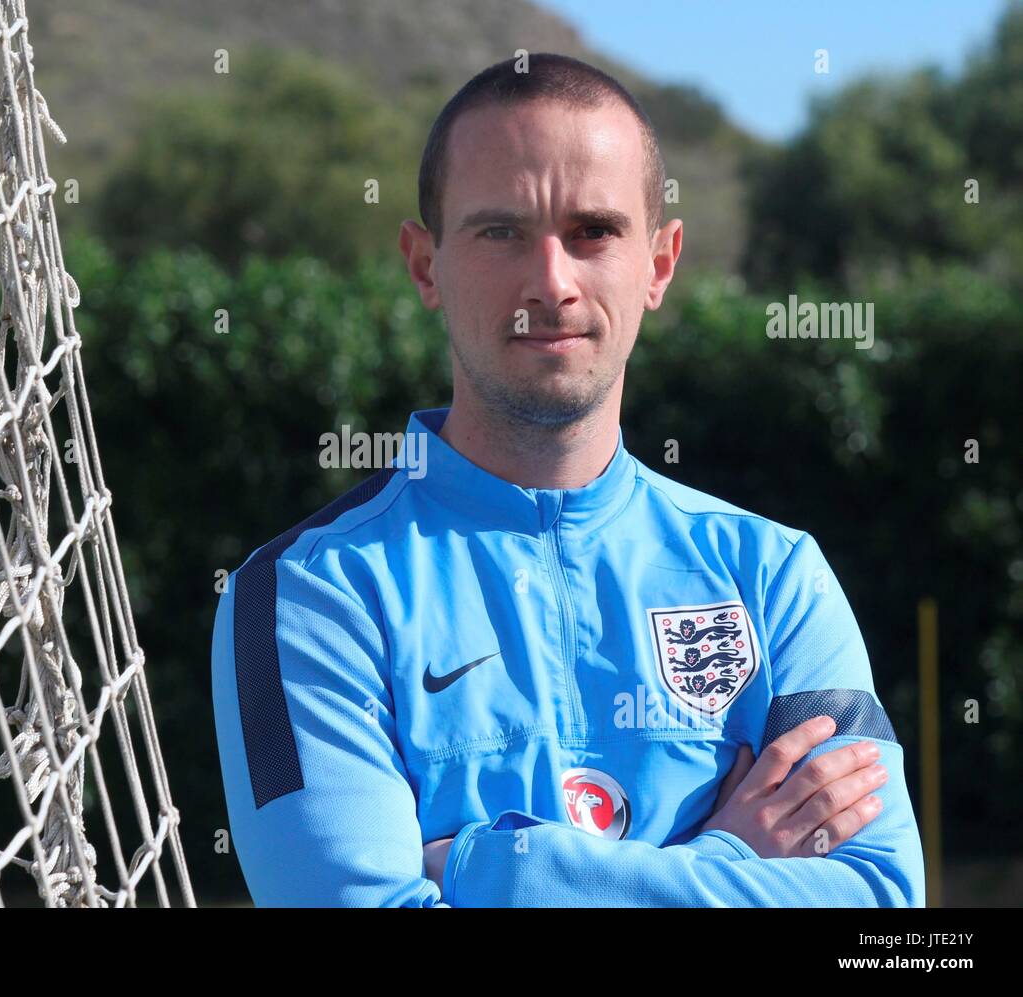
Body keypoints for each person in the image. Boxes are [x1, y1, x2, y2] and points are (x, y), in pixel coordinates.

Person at [210, 52, 924, 907]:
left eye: (593, 231)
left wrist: (495, 868)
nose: (551, 283)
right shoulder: (302, 595)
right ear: (425, 264)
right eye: (501, 231)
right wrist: (731, 859)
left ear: (659, 263)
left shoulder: (776, 578)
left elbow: (884, 910)